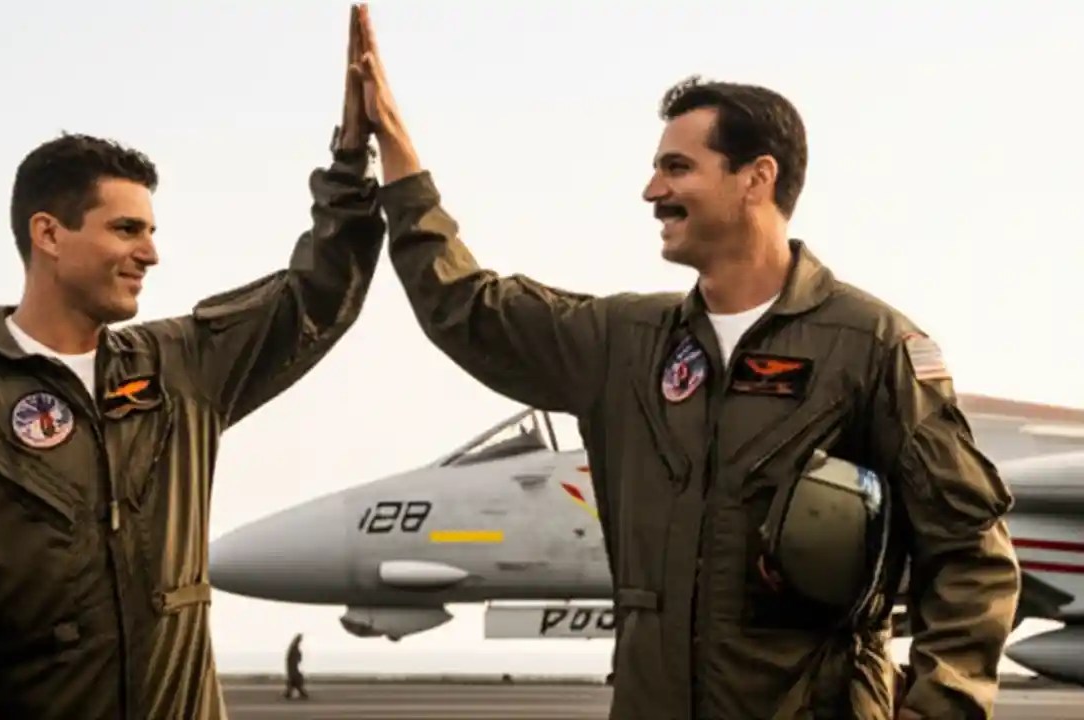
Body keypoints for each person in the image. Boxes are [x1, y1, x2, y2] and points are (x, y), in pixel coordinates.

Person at [347, 7, 1020, 720]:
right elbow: (466, 309)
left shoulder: (871, 348)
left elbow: (972, 556)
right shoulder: (623, 341)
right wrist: (394, 148)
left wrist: (933, 709)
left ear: (756, 178)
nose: (651, 191)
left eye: (677, 167)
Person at [0, 16, 383, 718]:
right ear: (49, 234)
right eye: (126, 229)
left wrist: (351, 160)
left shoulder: (182, 367)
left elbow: (315, 299)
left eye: (152, 231)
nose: (151, 253)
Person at [282, 633, 308, 700]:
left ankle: (289, 693)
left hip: (293, 668)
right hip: (293, 668)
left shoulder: (293, 648)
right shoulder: (294, 649)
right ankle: (291, 693)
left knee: (294, 682)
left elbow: (296, 659)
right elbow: (296, 659)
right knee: (296, 682)